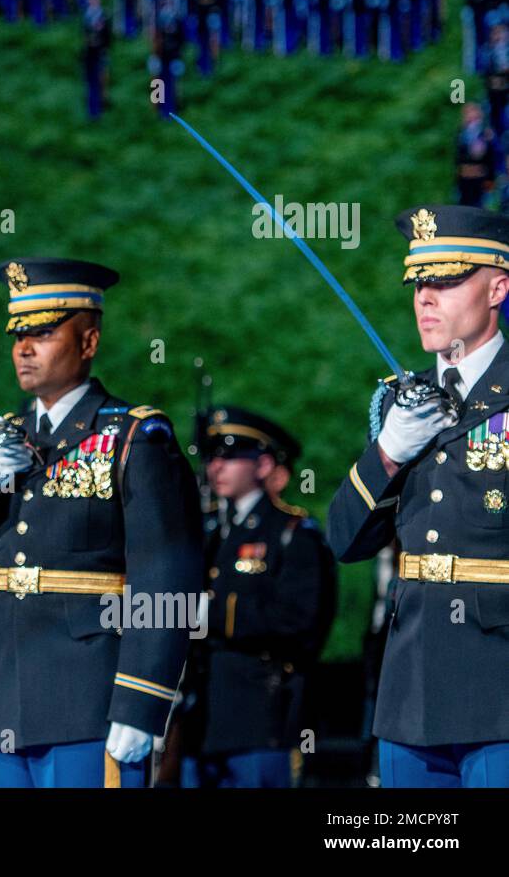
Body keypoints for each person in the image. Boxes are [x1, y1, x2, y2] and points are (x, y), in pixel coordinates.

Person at [0, 257, 204, 787]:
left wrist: (143, 698)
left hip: (91, 697)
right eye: (18, 335)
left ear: (89, 342)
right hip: (2, 700)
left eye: (44, 333)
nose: (24, 348)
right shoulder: (3, 439)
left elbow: (167, 576)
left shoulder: (135, 437)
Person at [328, 204, 509, 786]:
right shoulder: (398, 402)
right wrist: (389, 450)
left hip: (498, 688)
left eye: (448, 281)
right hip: (411, 690)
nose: (426, 298)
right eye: (419, 283)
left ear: (497, 289)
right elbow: (346, 539)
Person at [183, 407, 336, 787]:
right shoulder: (209, 531)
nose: (216, 466)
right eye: (212, 457)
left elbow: (300, 621)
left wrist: (211, 613)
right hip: (204, 715)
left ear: (264, 464)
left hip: (263, 714)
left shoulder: (292, 533)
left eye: (230, 457)